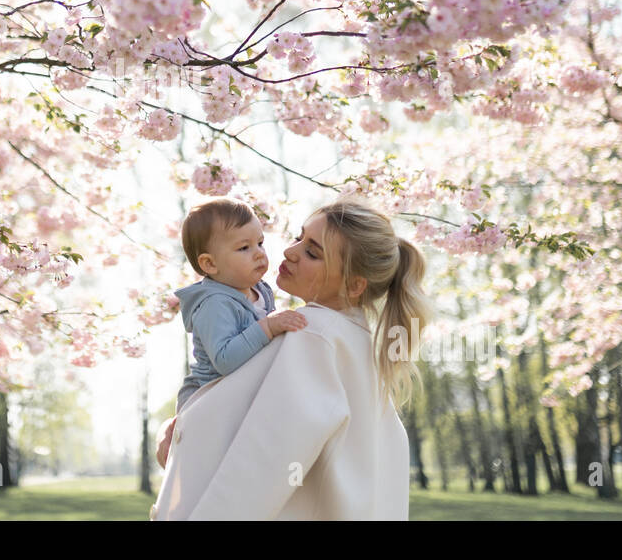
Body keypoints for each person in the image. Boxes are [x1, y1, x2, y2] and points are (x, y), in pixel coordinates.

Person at [151, 198, 433, 520]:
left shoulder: (313, 336)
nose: (289, 251)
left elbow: (263, 464)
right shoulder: (356, 345)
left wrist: (185, 438)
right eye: (299, 237)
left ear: (355, 285)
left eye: (312, 252)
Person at [171, 198, 308, 418]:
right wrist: (269, 327)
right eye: (244, 247)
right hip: (207, 404)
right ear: (210, 264)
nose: (258, 253)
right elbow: (225, 360)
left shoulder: (260, 290)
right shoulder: (214, 304)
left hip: (237, 397)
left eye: (260, 243)